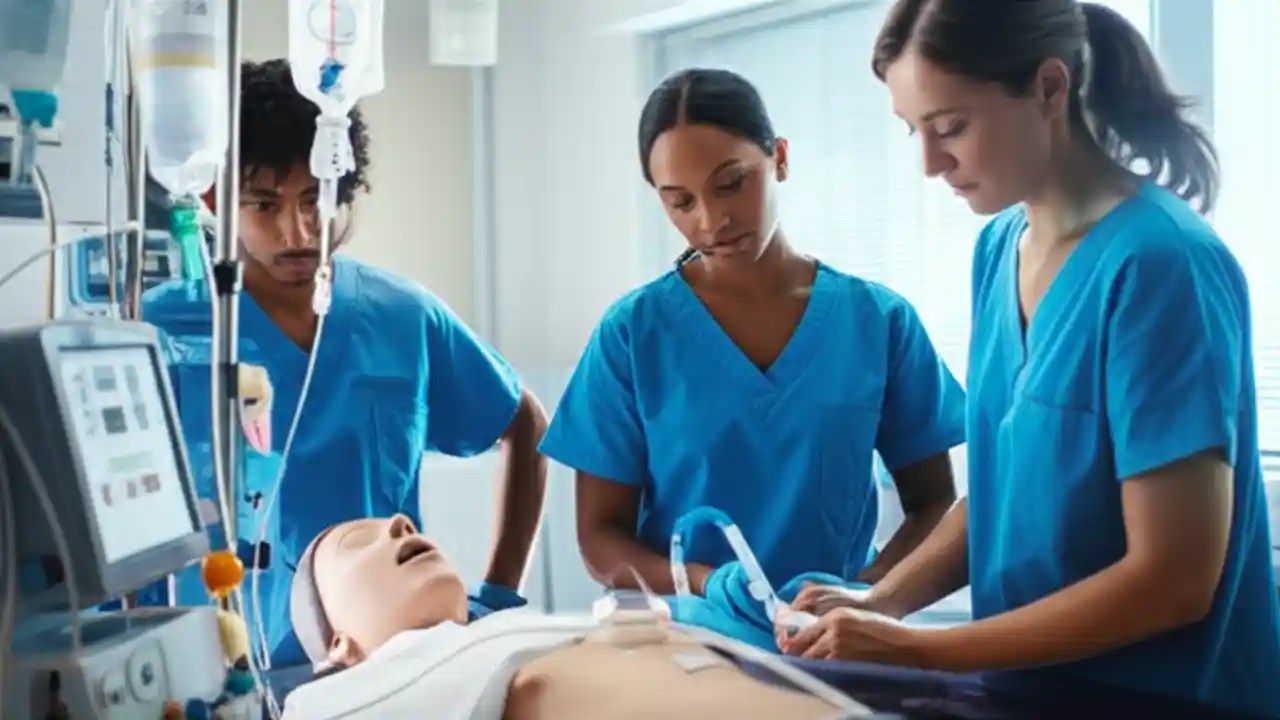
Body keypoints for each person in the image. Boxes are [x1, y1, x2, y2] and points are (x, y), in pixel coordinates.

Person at [781, 3, 1280, 718]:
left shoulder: (1162, 266)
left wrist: (916, 647)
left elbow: (1173, 580)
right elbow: (1004, 489)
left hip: (1163, 700)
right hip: (1030, 691)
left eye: (950, 127)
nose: (929, 163)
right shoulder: (1000, 248)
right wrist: (878, 600)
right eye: (913, 131)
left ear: (1050, 88)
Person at [140, 59, 549, 668]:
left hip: (379, 665)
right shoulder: (165, 329)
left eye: (316, 199)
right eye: (263, 205)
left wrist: (497, 594)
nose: (299, 231)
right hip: (217, 668)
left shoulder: (402, 316)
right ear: (213, 199)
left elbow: (524, 423)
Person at [281, 515, 867, 720]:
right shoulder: (339, 698)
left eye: (400, 523)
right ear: (339, 644)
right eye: (360, 540)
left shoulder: (497, 639)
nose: (402, 523)